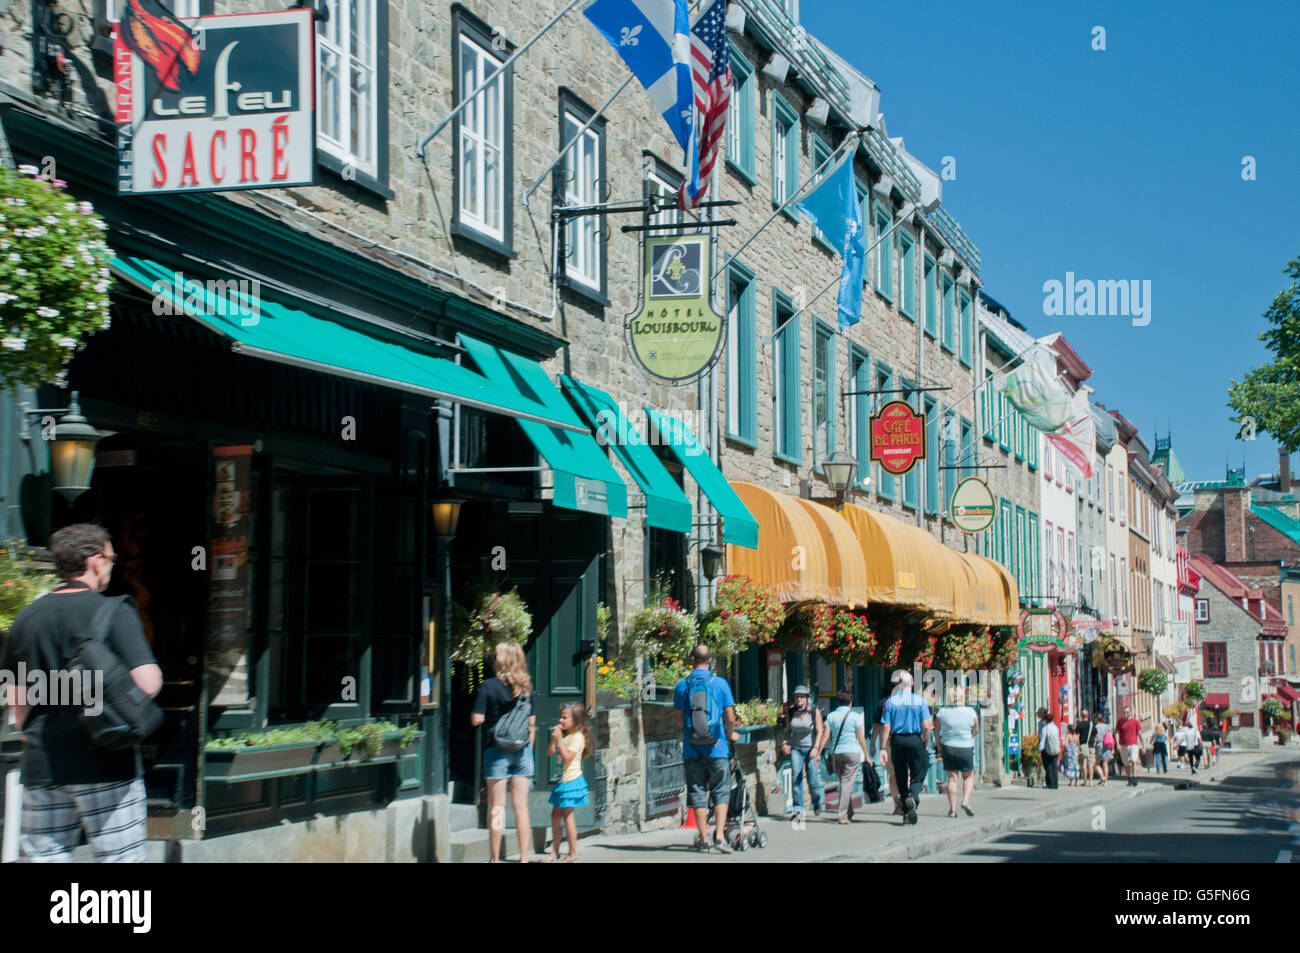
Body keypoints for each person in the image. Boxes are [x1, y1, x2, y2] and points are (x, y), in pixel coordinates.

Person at [0, 524, 162, 862]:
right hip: (104, 757)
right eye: (112, 558)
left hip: (43, 762)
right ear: (95, 560)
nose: (112, 566)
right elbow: (146, 683)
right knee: (119, 861)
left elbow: (18, 706)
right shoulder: (114, 610)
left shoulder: (26, 619)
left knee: (43, 857)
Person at [470, 641, 537, 863]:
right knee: (521, 807)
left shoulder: (488, 686)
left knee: (497, 806)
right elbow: (532, 725)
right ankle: (524, 857)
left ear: (501, 661)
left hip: (496, 749)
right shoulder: (527, 688)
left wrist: (484, 717)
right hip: (523, 750)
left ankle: (495, 858)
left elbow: (476, 719)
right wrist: (527, 751)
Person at [674, 645, 739, 853]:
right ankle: (719, 837)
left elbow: (679, 720)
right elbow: (729, 716)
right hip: (717, 746)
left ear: (692, 659)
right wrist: (730, 735)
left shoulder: (682, 685)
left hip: (692, 748)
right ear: (709, 660)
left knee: (697, 790)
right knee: (721, 789)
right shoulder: (720, 684)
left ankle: (703, 839)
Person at [878, 670, 933, 825]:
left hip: (897, 741)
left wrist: (882, 748)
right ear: (912, 684)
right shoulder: (919, 701)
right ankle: (913, 797)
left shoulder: (890, 702)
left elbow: (886, 726)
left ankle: (906, 812)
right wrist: (926, 743)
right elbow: (927, 726)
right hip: (915, 739)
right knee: (919, 771)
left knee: (900, 775)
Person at [543, 702, 594, 863]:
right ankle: (555, 851)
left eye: (564, 718)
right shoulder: (566, 736)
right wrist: (554, 738)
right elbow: (549, 752)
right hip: (562, 781)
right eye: (561, 717)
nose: (561, 720)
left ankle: (573, 854)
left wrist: (559, 741)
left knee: (568, 816)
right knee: (555, 815)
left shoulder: (578, 737)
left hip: (571, 780)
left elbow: (567, 758)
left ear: (576, 720)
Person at [780, 685, 826, 818]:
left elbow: (820, 731)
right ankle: (798, 809)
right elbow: (788, 730)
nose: (799, 699)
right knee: (796, 778)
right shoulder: (791, 712)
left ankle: (816, 801)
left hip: (811, 749)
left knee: (812, 780)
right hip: (796, 749)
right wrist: (785, 743)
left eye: (802, 696)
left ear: (807, 698)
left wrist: (816, 748)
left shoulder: (813, 712)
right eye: (797, 696)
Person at [825, 690, 868, 824]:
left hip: (836, 753)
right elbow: (861, 738)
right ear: (850, 701)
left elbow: (826, 735)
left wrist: (818, 749)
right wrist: (867, 755)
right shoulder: (855, 717)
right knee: (847, 783)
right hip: (852, 752)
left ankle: (849, 811)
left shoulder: (831, 716)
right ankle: (842, 815)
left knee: (844, 782)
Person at [935, 684, 978, 816]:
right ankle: (965, 801)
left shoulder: (942, 712)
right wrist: (969, 736)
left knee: (952, 779)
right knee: (968, 776)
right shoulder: (971, 712)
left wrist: (939, 745)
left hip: (948, 746)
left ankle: (952, 810)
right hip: (965, 747)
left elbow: (936, 731)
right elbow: (976, 729)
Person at [873, 677, 903, 812]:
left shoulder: (883, 703)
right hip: (905, 739)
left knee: (893, 774)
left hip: (889, 741)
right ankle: (904, 799)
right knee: (904, 773)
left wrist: (874, 743)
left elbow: (877, 725)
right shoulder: (909, 702)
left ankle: (897, 803)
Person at [1115, 706, 1144, 787]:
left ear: (1130, 712)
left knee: (1133, 760)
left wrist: (1143, 745)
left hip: (1133, 744)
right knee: (1126, 763)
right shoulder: (1120, 721)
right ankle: (1129, 778)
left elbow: (1139, 733)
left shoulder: (1135, 721)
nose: (1126, 714)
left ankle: (1135, 778)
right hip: (1123, 744)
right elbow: (1117, 733)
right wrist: (1117, 744)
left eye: (1127, 712)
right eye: (1124, 712)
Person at [1039, 709, 1061, 789]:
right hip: (1055, 748)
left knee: (1048, 767)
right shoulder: (1055, 727)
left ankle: (1050, 784)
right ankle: (1055, 784)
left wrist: (1040, 750)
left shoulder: (1045, 728)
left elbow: (1042, 741)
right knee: (1054, 766)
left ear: (1045, 720)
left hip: (1047, 750)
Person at [1077, 710, 1099, 787]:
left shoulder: (1079, 725)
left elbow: (1077, 736)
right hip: (1091, 746)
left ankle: (1085, 781)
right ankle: (1091, 781)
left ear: (1081, 715)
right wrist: (1094, 743)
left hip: (1083, 746)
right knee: (1091, 764)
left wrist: (1078, 746)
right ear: (1088, 716)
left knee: (1084, 764)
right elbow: (1096, 735)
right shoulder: (1092, 724)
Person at [1092, 711, 1113, 786]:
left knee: (1096, 763)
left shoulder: (1095, 727)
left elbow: (1095, 738)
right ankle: (1105, 780)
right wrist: (1112, 748)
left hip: (1099, 745)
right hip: (1107, 746)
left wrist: (1093, 746)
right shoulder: (1107, 727)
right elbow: (1110, 736)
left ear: (1096, 719)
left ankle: (1102, 777)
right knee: (1105, 763)